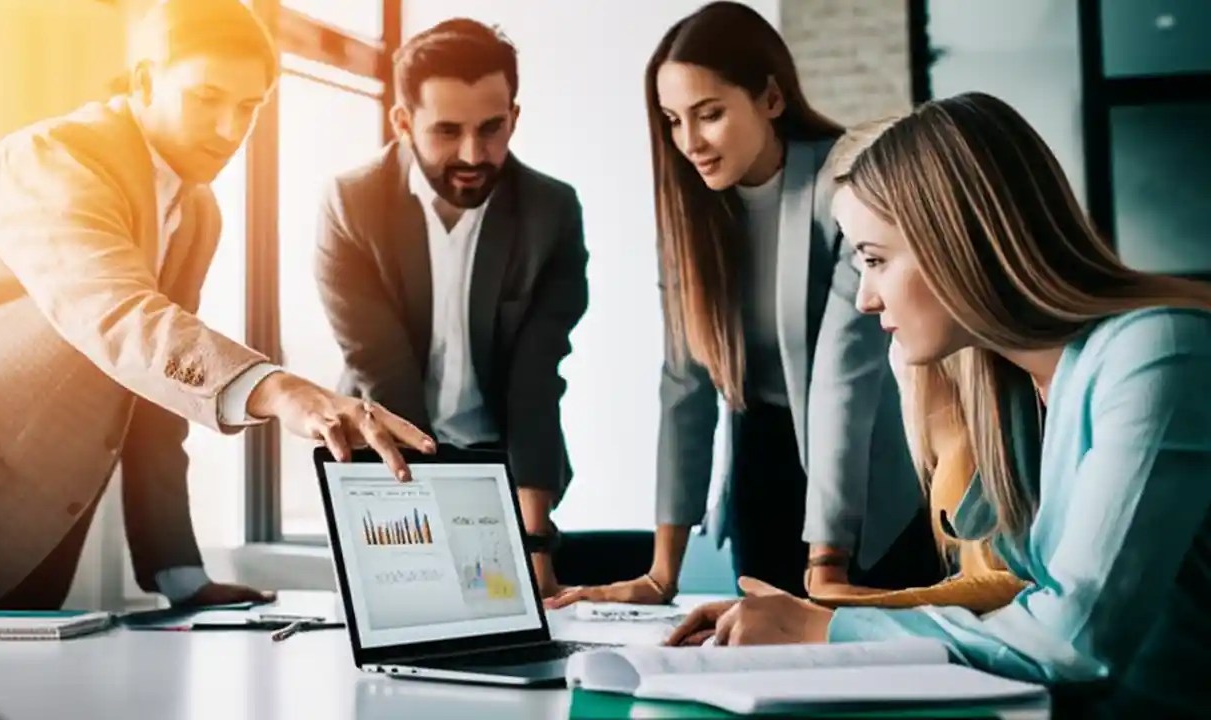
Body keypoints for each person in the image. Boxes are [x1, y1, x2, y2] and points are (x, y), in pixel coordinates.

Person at [669, 92, 1211, 716]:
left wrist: (823, 629)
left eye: (875, 260)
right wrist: (818, 613)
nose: (867, 299)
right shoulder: (1011, 390)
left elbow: (1072, 639)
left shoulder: (1156, 353)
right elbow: (1020, 602)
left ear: (960, 241)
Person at [0, 0, 432, 610]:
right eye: (206, 98)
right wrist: (280, 391)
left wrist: (183, 578)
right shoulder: (54, 160)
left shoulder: (197, 213)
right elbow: (118, 316)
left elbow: (155, 396)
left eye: (249, 107)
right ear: (144, 81)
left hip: (39, 534)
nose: (229, 129)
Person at [547, 1, 937, 609]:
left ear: (772, 99)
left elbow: (844, 377)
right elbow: (684, 385)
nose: (690, 142)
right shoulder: (693, 210)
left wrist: (827, 564)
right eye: (673, 120)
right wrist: (660, 575)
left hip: (859, 471)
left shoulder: (845, 185)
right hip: (760, 461)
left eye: (709, 115)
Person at [314, 19, 588, 598]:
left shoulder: (551, 212)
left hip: (502, 466)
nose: (473, 154)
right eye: (446, 131)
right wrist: (423, 530)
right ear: (403, 122)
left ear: (515, 116)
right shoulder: (351, 205)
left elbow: (536, 381)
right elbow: (379, 368)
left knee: (514, 616)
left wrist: (533, 545)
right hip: (388, 451)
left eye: (491, 128)